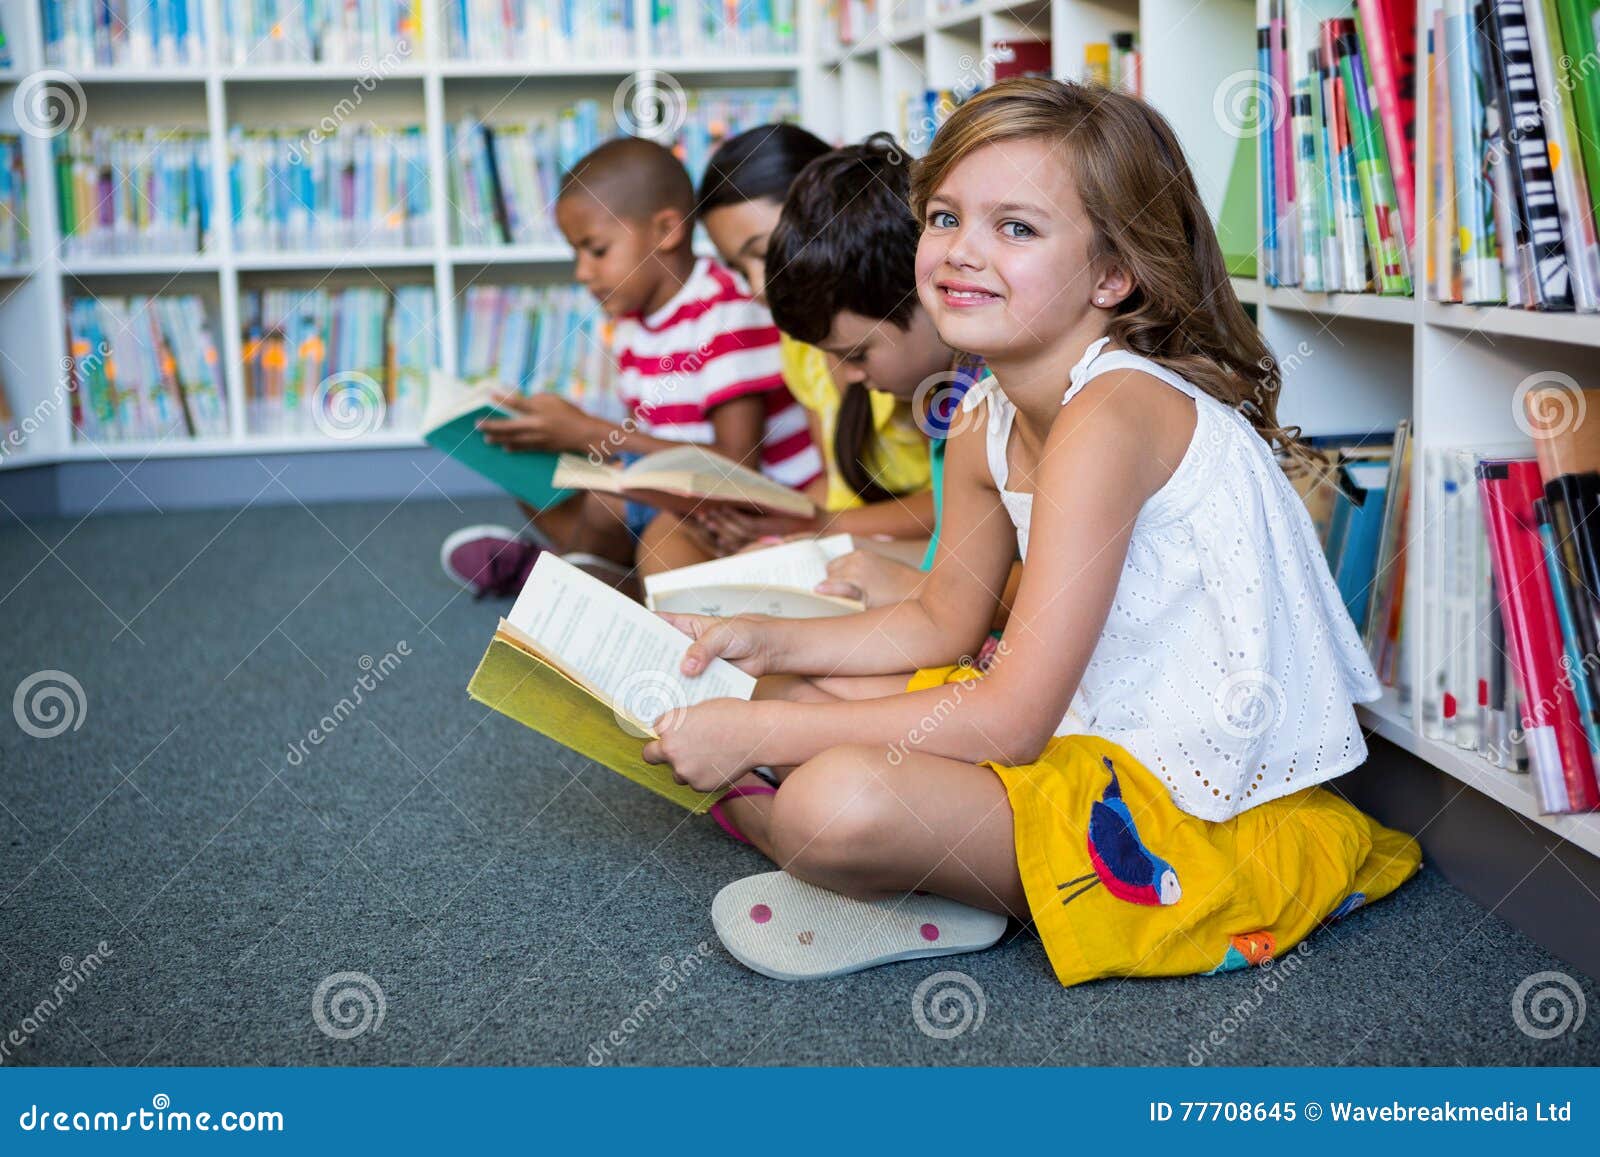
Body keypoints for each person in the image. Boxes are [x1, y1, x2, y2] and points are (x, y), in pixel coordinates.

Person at [643, 79, 1421, 986]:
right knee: (787, 684)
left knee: (827, 798)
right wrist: (759, 640)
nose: (962, 252)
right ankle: (924, 873)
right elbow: (940, 621)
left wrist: (754, 739)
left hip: (1176, 800)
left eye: (1015, 228)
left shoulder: (1114, 412)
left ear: (1111, 274)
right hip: (1077, 733)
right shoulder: (983, 416)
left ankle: (887, 865)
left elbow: (1009, 721)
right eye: (944, 217)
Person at [439, 135, 819, 597]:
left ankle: (561, 581)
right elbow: (655, 440)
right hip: (676, 492)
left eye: (596, 250)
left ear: (665, 230)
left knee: (612, 511)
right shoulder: (633, 323)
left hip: (744, 506)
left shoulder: (727, 314)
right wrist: (559, 432)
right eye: (575, 254)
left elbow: (736, 469)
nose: (582, 272)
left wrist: (586, 432)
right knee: (531, 466)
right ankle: (584, 579)